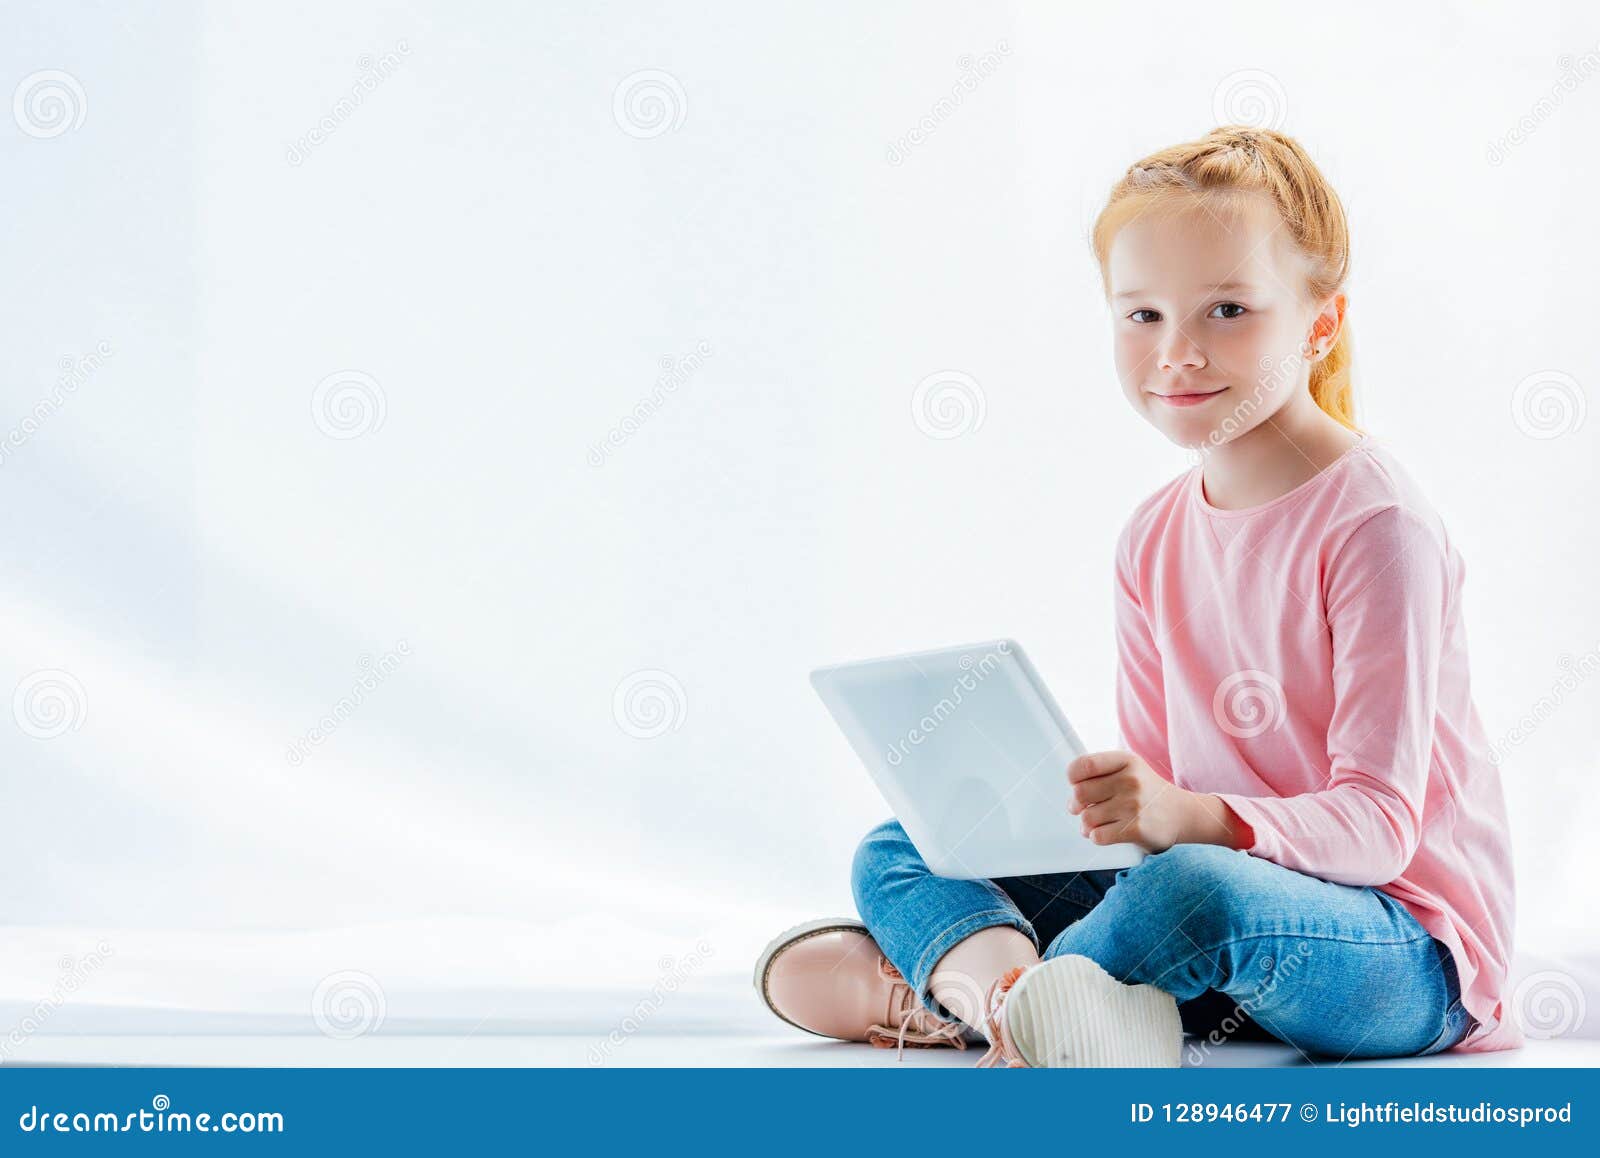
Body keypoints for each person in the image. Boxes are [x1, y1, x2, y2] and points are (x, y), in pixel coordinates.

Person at [754, 126, 1519, 1067]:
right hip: (1212, 933)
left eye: (1228, 309)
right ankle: (1025, 1002)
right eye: (1143, 315)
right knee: (906, 844)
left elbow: (1380, 829)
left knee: (1194, 891)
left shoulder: (1376, 522)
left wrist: (1192, 820)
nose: (1179, 354)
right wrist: (1109, 811)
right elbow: (1154, 822)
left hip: (1399, 952)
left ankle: (972, 997)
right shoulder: (1152, 537)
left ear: (1320, 322)